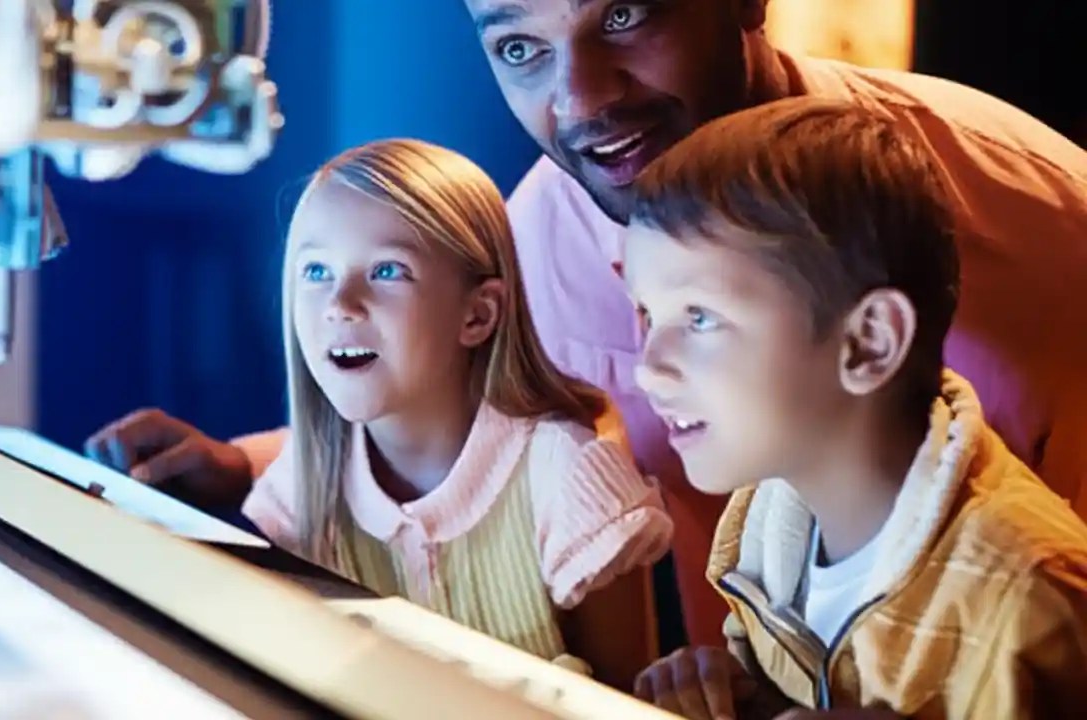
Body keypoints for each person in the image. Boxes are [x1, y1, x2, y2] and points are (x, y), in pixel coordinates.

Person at [90, 0, 1087, 650]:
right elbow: (459, 394)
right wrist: (241, 465)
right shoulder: (535, 242)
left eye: (622, 16)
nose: (579, 100)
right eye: (520, 49)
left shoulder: (1032, 212)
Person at [131, 138, 673, 689]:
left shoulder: (568, 476)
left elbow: (626, 697)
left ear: (479, 315)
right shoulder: (308, 477)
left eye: (388, 271)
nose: (340, 303)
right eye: (316, 271)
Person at [627, 97, 1087, 719]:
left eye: (700, 317)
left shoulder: (1035, 604)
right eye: (648, 315)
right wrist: (739, 693)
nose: (648, 366)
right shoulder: (767, 519)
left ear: (869, 341)